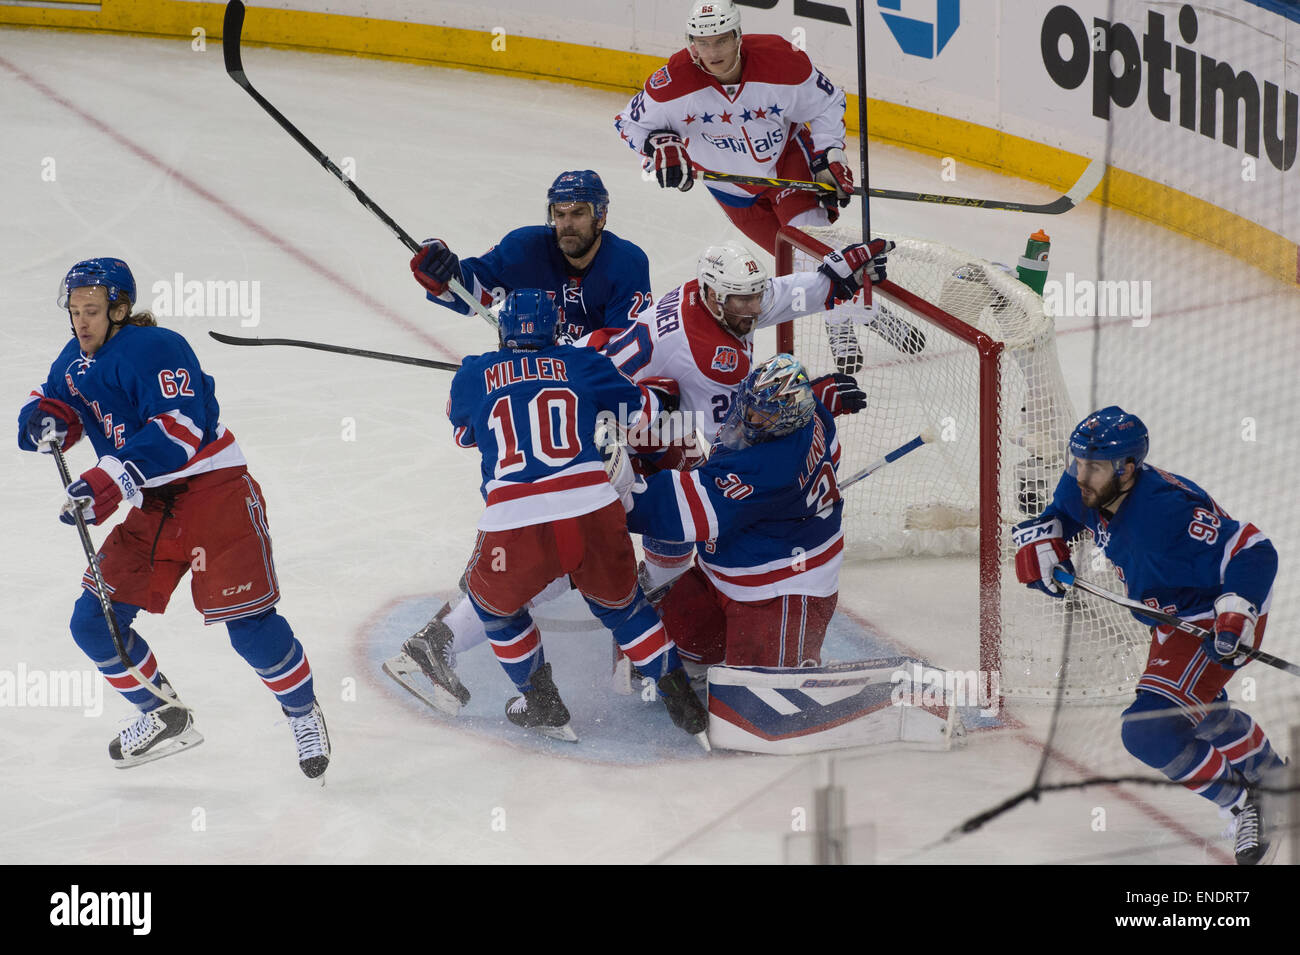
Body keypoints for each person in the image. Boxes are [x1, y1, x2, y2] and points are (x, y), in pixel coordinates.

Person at [394, 237, 886, 703]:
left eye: (750, 297)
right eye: (741, 301)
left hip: (618, 405)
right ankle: (450, 637)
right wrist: (798, 411)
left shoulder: (708, 298)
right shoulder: (711, 358)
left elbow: (770, 297)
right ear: (715, 298)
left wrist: (831, 281)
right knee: (581, 544)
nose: (753, 309)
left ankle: (638, 610)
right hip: (614, 427)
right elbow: (736, 445)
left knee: (617, 545)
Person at [17, 258, 330, 778]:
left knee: (249, 627)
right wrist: (43, 421)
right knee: (93, 623)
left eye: (92, 311)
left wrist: (107, 480)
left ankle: (303, 713)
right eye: (74, 312)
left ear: (119, 310)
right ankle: (164, 714)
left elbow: (180, 429)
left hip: (214, 496)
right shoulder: (75, 358)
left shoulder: (155, 348)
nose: (80, 324)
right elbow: (56, 401)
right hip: (152, 506)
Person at [388, 289, 708, 746]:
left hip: (514, 522)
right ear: (553, 327)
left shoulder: (474, 372)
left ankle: (541, 701)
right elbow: (641, 411)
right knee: (625, 609)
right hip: (595, 511)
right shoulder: (583, 364)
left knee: (493, 608)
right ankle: (684, 705)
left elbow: (464, 434)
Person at [1012, 406, 1285, 865]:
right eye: (1077, 462)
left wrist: (1235, 613)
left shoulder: (1166, 515)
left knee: (1148, 732)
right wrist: (1047, 538)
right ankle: (1272, 777)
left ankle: (1249, 802)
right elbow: (1063, 513)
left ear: (1128, 469)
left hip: (1212, 615)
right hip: (1171, 614)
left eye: (1094, 467)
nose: (1081, 475)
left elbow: (1252, 548)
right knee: (1194, 710)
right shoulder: (1088, 485)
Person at [624, 354, 845, 670]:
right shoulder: (813, 413)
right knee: (663, 650)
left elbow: (683, 508)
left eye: (764, 419)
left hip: (783, 589)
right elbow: (833, 455)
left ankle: (786, 672)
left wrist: (611, 497)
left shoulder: (770, 465)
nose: (750, 419)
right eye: (752, 407)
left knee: (763, 699)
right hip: (722, 572)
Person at [614, 0, 853, 255]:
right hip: (731, 190)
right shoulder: (674, 82)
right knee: (791, 265)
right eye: (702, 42)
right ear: (691, 43)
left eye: (721, 41)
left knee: (815, 260)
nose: (713, 52)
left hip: (788, 167)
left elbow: (827, 103)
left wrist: (829, 154)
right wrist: (660, 144)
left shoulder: (780, 60)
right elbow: (628, 123)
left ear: (738, 36)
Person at [409, 170, 653, 343]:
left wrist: (568, 354)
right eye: (559, 214)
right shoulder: (525, 249)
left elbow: (628, 349)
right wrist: (441, 273)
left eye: (578, 213)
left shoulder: (626, 264)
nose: (567, 224)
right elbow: (474, 295)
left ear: (600, 217)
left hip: (598, 388)